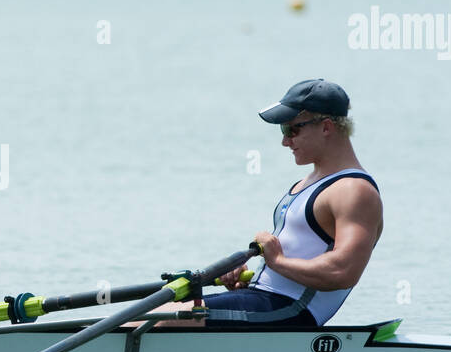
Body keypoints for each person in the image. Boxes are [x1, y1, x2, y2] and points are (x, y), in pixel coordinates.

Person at [155, 79, 383, 327]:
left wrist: (277, 262)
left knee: (158, 319)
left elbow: (343, 271)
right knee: (154, 313)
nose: (285, 141)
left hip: (290, 310)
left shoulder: (354, 191)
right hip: (262, 299)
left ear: (326, 127)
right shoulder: (308, 183)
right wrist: (248, 276)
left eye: (291, 130)